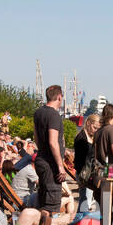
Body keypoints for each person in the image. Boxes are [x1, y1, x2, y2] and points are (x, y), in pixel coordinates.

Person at [33, 85, 68, 214]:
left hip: (41, 158)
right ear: (59, 97)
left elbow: (36, 137)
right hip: (50, 164)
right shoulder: (54, 115)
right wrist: (60, 166)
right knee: (51, 206)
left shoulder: (38, 112)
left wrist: (42, 149)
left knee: (43, 200)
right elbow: (53, 142)